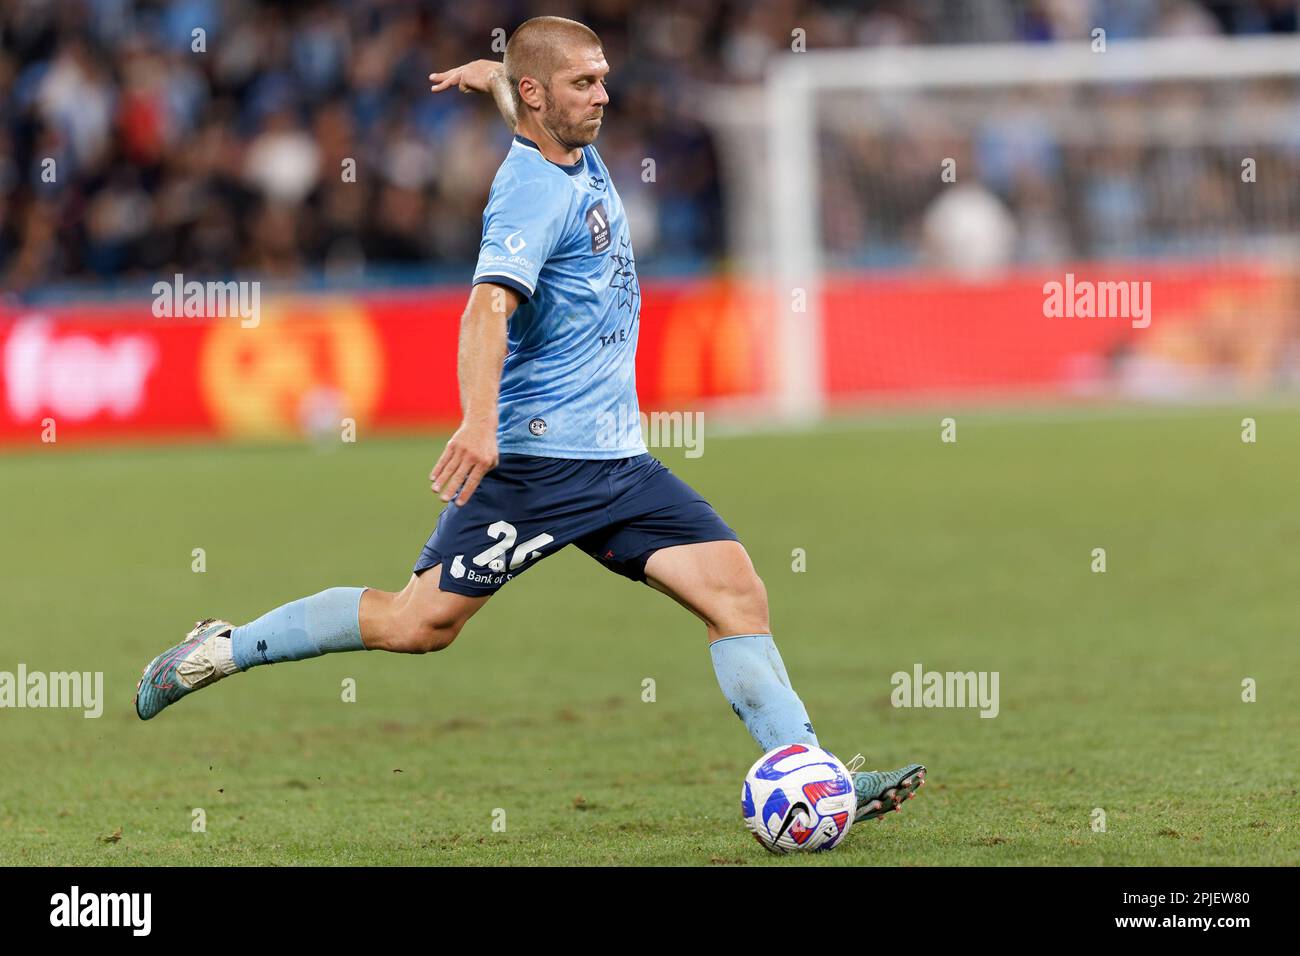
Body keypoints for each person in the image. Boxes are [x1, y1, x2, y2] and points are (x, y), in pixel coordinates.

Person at [133, 16, 924, 827]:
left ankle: (810, 774)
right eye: (585, 84)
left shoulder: (563, 139)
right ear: (544, 95)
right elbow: (485, 309)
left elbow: (527, 94)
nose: (605, 96)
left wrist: (495, 76)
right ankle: (221, 649)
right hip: (538, 468)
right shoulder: (531, 192)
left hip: (617, 464)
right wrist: (479, 421)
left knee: (737, 592)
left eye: (604, 77)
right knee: (419, 624)